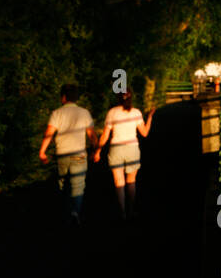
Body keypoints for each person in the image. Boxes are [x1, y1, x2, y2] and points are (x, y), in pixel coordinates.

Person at [38, 84, 98, 225]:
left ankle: (65, 214)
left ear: (63, 97)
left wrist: (42, 152)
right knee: (78, 185)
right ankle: (75, 214)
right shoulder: (84, 113)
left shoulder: (56, 113)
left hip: (62, 155)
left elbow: (49, 134)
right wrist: (96, 150)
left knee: (62, 184)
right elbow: (92, 136)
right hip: (79, 155)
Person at [94, 90, 155, 218]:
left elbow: (105, 135)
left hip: (116, 149)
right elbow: (144, 133)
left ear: (118, 98)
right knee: (131, 181)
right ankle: (131, 210)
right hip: (132, 149)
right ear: (131, 98)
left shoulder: (112, 112)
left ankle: (122, 213)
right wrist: (150, 118)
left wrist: (98, 151)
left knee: (118, 181)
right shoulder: (136, 112)